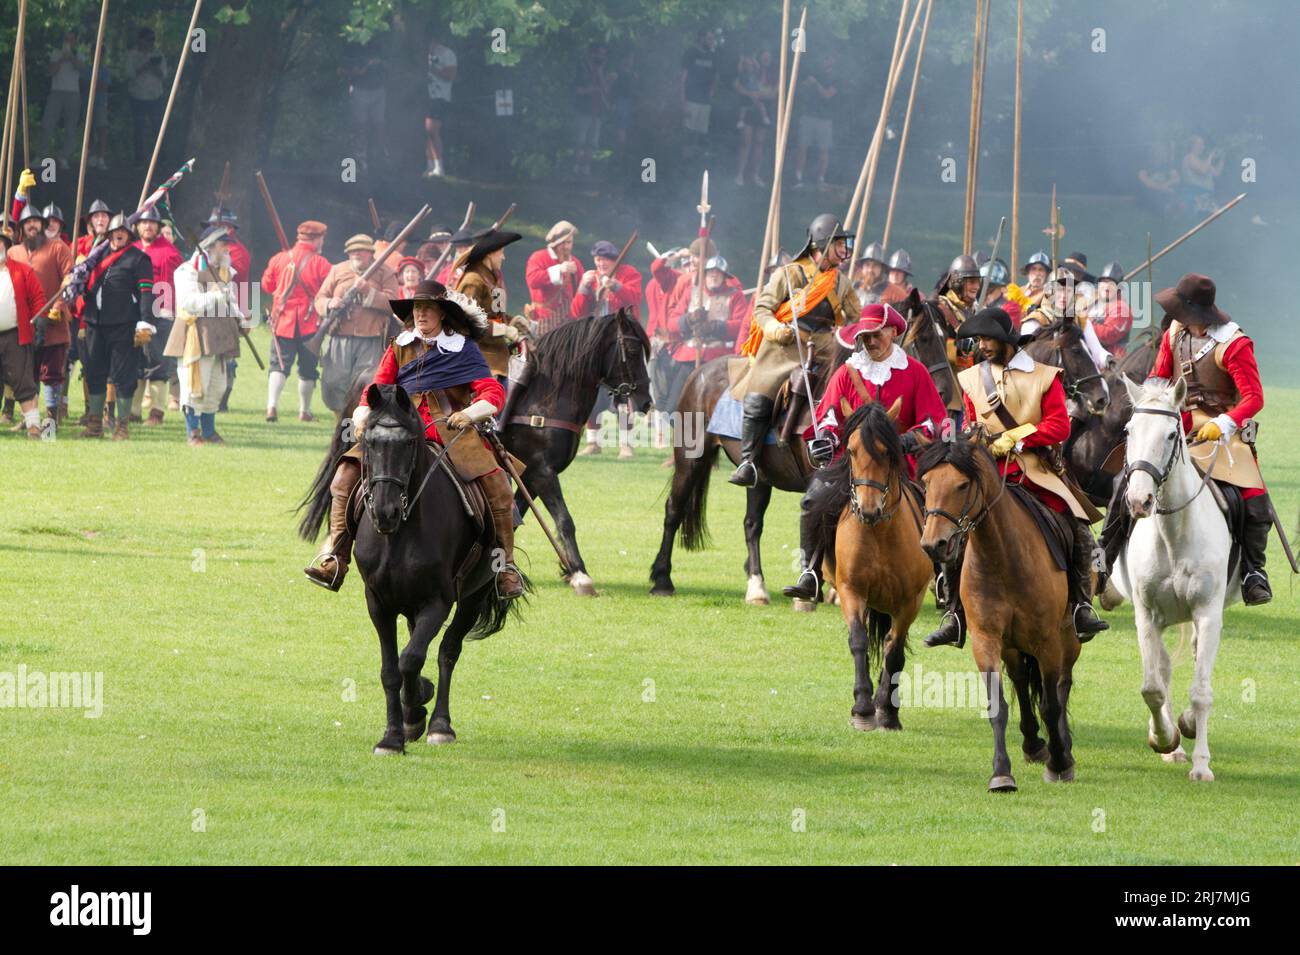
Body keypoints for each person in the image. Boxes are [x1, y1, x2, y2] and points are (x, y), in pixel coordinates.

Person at [305, 280, 524, 599]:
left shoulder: (463, 348)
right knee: (343, 476)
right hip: (399, 426)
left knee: (498, 485)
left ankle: (504, 568)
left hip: (449, 427)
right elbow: (378, 386)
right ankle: (335, 556)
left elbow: (492, 391)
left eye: (427, 309)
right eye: (416, 309)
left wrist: (471, 413)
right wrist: (364, 412)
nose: (420, 314)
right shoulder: (400, 344)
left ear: (442, 315)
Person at [925, 306, 1108, 649]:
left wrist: (1018, 437)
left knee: (1078, 529)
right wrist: (975, 440)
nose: (982, 346)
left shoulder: (1044, 376)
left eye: (988, 339)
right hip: (986, 472)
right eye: (979, 340)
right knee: (953, 526)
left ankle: (1082, 605)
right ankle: (953, 613)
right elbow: (969, 422)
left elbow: (1060, 425)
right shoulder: (971, 379)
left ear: (1008, 341)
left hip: (1034, 471)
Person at [784, 304, 946, 600]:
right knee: (813, 500)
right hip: (853, 463)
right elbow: (829, 417)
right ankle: (810, 572)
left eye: (876, 334)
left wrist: (911, 440)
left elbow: (935, 421)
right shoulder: (847, 373)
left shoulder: (915, 372)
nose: (870, 341)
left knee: (941, 505)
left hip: (900, 464)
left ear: (893, 332)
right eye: (865, 336)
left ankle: (943, 578)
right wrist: (825, 439)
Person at [1143, 274, 1271, 603]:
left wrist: (1226, 422)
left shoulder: (1235, 344)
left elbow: (1254, 398)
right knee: (1134, 474)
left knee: (1254, 498)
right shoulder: (1174, 333)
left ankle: (1254, 572)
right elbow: (1158, 375)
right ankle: (1106, 556)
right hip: (1178, 419)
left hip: (1221, 428)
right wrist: (1153, 405)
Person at [730, 213, 860, 486]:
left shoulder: (841, 283)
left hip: (827, 348)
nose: (844, 249)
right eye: (839, 243)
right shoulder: (788, 274)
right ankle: (748, 461)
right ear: (822, 244)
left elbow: (856, 318)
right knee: (761, 393)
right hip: (787, 345)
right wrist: (775, 329)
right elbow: (762, 309)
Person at [164, 225, 248, 445]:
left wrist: (240, 318)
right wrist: (215, 297)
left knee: (217, 386)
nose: (227, 250)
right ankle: (193, 432)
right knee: (195, 386)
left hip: (220, 333)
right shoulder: (187, 271)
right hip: (196, 333)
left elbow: (230, 301)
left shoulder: (223, 272)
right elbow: (188, 303)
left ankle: (209, 431)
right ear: (210, 247)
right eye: (223, 246)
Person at [78, 213, 155, 440]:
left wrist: (144, 322)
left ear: (129, 235)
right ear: (109, 234)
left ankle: (122, 426)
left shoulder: (139, 259)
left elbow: (146, 294)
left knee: (123, 376)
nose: (119, 235)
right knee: (94, 373)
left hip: (124, 324)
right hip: (94, 322)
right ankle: (94, 425)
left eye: (124, 232)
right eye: (115, 231)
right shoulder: (95, 256)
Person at [571, 239, 645, 457]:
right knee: (592, 392)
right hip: (596, 343)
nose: (600, 264)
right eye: (597, 260)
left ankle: (626, 444)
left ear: (614, 260)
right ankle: (593, 441)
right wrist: (584, 289)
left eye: (604, 260)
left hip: (621, 341)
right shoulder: (591, 278)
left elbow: (635, 300)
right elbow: (577, 313)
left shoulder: (629, 274)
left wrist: (617, 287)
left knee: (623, 395)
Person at [314, 234, 400, 414]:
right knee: (334, 382)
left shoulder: (385, 272)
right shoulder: (337, 270)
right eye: (353, 252)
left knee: (365, 384)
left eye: (361, 251)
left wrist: (369, 292)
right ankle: (343, 422)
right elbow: (320, 299)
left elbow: (394, 304)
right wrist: (330, 303)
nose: (356, 254)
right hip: (340, 336)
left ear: (370, 253)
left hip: (371, 338)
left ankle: (359, 422)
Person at [8, 205, 74, 428]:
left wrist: (59, 305)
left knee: (51, 374)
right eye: (28, 222)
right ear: (22, 228)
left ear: (43, 225)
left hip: (53, 322)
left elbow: (70, 280)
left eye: (36, 221)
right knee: (27, 373)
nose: (32, 225)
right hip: (24, 325)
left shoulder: (58, 248)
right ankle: (31, 419)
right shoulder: (13, 252)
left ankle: (51, 417)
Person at [261, 220, 330, 422]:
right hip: (310, 323)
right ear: (316, 239)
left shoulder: (279, 258)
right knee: (307, 370)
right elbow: (329, 289)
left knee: (278, 366)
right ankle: (304, 411)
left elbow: (267, 285)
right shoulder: (320, 263)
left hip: (282, 322)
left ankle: (271, 407)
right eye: (322, 238)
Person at [453, 228, 528, 379]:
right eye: (501, 252)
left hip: (497, 359)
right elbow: (468, 322)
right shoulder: (473, 281)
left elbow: (493, 314)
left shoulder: (489, 279)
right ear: (490, 253)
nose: (503, 257)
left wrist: (512, 320)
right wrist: (504, 330)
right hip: (480, 363)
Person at [132, 206, 183, 425]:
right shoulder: (131, 249)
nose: (148, 226)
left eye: (152, 223)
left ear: (158, 228)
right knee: (136, 364)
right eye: (144, 222)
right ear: (137, 226)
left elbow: (176, 285)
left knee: (157, 364)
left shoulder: (170, 253)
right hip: (133, 314)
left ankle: (156, 412)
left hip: (161, 314)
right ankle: (133, 411)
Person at [0, 230, 49, 438]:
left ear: (6, 247)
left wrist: (39, 323)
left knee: (24, 383)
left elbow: (38, 298)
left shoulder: (22, 271)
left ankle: (34, 428)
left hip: (14, 335)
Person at [524, 221, 583, 336]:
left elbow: (580, 291)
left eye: (569, 242)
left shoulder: (575, 262)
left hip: (568, 321)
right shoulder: (539, 257)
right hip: (542, 320)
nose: (566, 246)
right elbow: (533, 280)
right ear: (555, 243)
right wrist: (559, 269)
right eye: (563, 243)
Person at [341, 39, 387, 173]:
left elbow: (389, 64)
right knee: (360, 126)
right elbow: (342, 70)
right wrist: (360, 71)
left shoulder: (378, 43)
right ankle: (359, 161)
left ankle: (378, 159)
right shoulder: (352, 45)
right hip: (359, 90)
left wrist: (380, 63)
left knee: (379, 125)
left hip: (378, 90)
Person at [40, 32, 84, 170]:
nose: (68, 42)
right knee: (47, 123)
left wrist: (70, 57)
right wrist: (61, 59)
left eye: (71, 39)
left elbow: (82, 68)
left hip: (73, 94)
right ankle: (42, 156)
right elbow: (51, 72)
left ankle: (64, 157)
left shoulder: (80, 54)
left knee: (71, 127)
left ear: (75, 41)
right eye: (66, 39)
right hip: (56, 92)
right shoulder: (55, 53)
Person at [794, 54, 837, 190]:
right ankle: (798, 178)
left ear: (833, 60)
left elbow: (827, 95)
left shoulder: (836, 77)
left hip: (825, 119)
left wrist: (815, 83)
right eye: (824, 58)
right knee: (802, 146)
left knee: (824, 150)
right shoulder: (813, 73)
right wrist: (806, 84)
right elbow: (798, 91)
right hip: (808, 116)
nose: (825, 61)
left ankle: (821, 179)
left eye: (828, 58)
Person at [733, 49, 774, 187]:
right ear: (760, 57)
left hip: (764, 110)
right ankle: (739, 175)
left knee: (759, 143)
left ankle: (755, 175)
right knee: (745, 142)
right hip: (749, 109)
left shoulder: (774, 74)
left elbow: (774, 93)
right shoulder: (750, 70)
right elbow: (737, 86)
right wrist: (751, 93)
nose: (766, 58)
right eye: (764, 56)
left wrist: (759, 94)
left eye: (768, 57)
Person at [126, 27, 167, 163]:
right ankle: (139, 159)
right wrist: (145, 66)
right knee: (139, 129)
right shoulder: (132, 55)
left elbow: (164, 75)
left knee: (157, 128)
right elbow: (129, 74)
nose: (151, 42)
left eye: (153, 40)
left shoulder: (159, 54)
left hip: (155, 96)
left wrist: (153, 67)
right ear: (140, 40)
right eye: (148, 39)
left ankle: (160, 159)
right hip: (137, 96)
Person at [679, 30, 719, 162]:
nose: (711, 41)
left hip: (705, 101)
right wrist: (683, 101)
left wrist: (711, 94)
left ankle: (693, 163)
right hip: (691, 99)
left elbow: (714, 78)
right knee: (688, 132)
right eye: (709, 38)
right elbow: (682, 78)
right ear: (701, 38)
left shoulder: (712, 56)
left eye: (713, 38)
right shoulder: (691, 53)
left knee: (699, 132)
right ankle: (683, 162)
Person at [572, 45, 611, 179]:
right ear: (591, 54)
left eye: (604, 55)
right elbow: (577, 90)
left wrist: (600, 74)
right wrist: (593, 89)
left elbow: (606, 91)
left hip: (597, 112)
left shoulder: (601, 71)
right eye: (599, 54)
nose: (601, 57)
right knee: (580, 141)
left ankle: (586, 168)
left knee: (592, 143)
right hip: (583, 110)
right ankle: (576, 168)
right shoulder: (582, 69)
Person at [424, 33, 457, 179]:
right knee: (426, 131)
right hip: (426, 96)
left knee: (433, 130)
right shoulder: (424, 53)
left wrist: (431, 69)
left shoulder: (447, 53)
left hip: (440, 96)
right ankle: (430, 165)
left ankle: (439, 166)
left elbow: (450, 75)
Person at [1088, 262, 1133, 359]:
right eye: (1104, 281)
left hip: (1110, 364)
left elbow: (1107, 336)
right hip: (1088, 357)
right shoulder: (1093, 302)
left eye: (1111, 283)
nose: (1106, 286)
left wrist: (1084, 322)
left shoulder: (1122, 309)